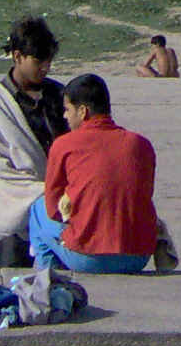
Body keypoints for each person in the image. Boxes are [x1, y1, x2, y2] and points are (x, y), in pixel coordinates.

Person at [27, 73, 158, 274]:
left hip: (88, 258)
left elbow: (53, 210)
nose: (64, 116)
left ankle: (47, 279)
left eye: (67, 109)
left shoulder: (64, 145)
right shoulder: (141, 144)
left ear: (82, 111)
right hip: (137, 257)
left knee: (38, 208)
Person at [0, 17, 67, 267]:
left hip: (59, 213)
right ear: (17, 56)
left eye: (49, 62)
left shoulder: (60, 96)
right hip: (16, 217)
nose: (45, 68)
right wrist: (41, 192)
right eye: (38, 61)